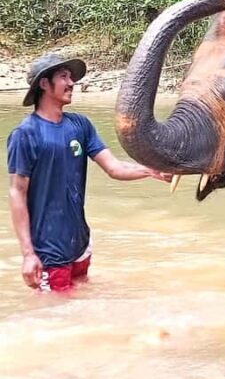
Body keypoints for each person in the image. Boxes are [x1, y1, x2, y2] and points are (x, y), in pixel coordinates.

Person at [6, 53, 170, 292]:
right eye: (64, 77)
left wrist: (152, 170)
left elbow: (114, 168)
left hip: (80, 244)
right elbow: (17, 193)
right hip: (48, 251)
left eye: (71, 78)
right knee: (55, 314)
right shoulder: (26, 134)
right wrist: (28, 254)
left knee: (80, 300)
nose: (72, 83)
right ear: (44, 84)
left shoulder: (80, 125)